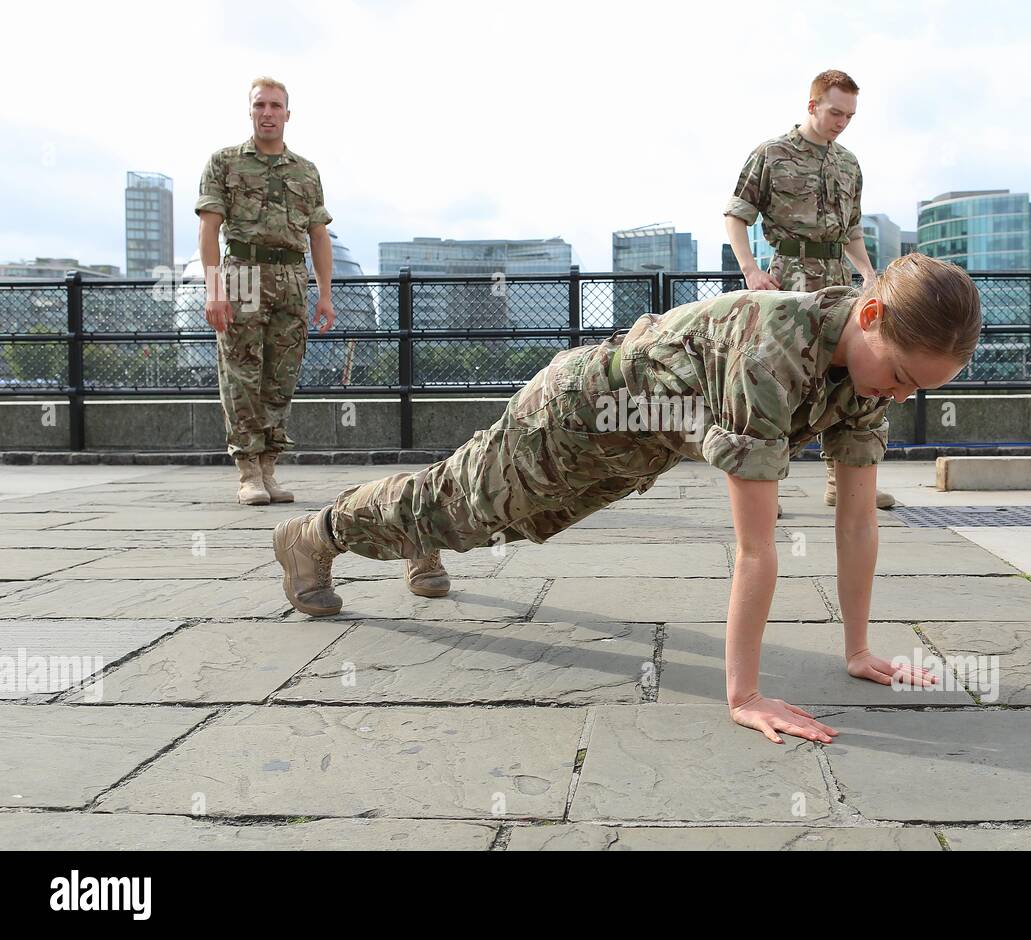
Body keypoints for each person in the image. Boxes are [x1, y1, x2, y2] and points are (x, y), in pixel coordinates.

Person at [273, 254, 982, 744]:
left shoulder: (867, 372)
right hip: (575, 415)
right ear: (869, 313)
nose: (897, 395)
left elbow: (857, 520)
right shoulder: (770, 350)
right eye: (897, 375)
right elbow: (755, 548)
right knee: (459, 507)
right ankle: (314, 536)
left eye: (917, 390)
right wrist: (743, 697)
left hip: (637, 445)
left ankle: (419, 530)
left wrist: (858, 650)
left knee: (479, 517)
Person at [724, 68, 894, 511]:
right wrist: (750, 270)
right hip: (788, 281)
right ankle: (764, 490)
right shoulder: (772, 153)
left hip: (839, 281)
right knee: (782, 380)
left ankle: (845, 482)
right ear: (812, 105)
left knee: (850, 378)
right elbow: (736, 214)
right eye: (836, 111)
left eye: (850, 115)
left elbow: (852, 230)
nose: (842, 121)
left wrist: (870, 276)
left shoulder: (848, 163)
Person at [196, 76, 336, 505]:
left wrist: (325, 295)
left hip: (292, 277)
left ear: (287, 114)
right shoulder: (224, 162)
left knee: (281, 377)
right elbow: (209, 228)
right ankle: (248, 472)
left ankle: (270, 467)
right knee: (241, 374)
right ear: (250, 111)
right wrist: (214, 289)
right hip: (243, 275)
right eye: (260, 106)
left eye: (275, 106)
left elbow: (318, 235)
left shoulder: (305, 171)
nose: (268, 113)